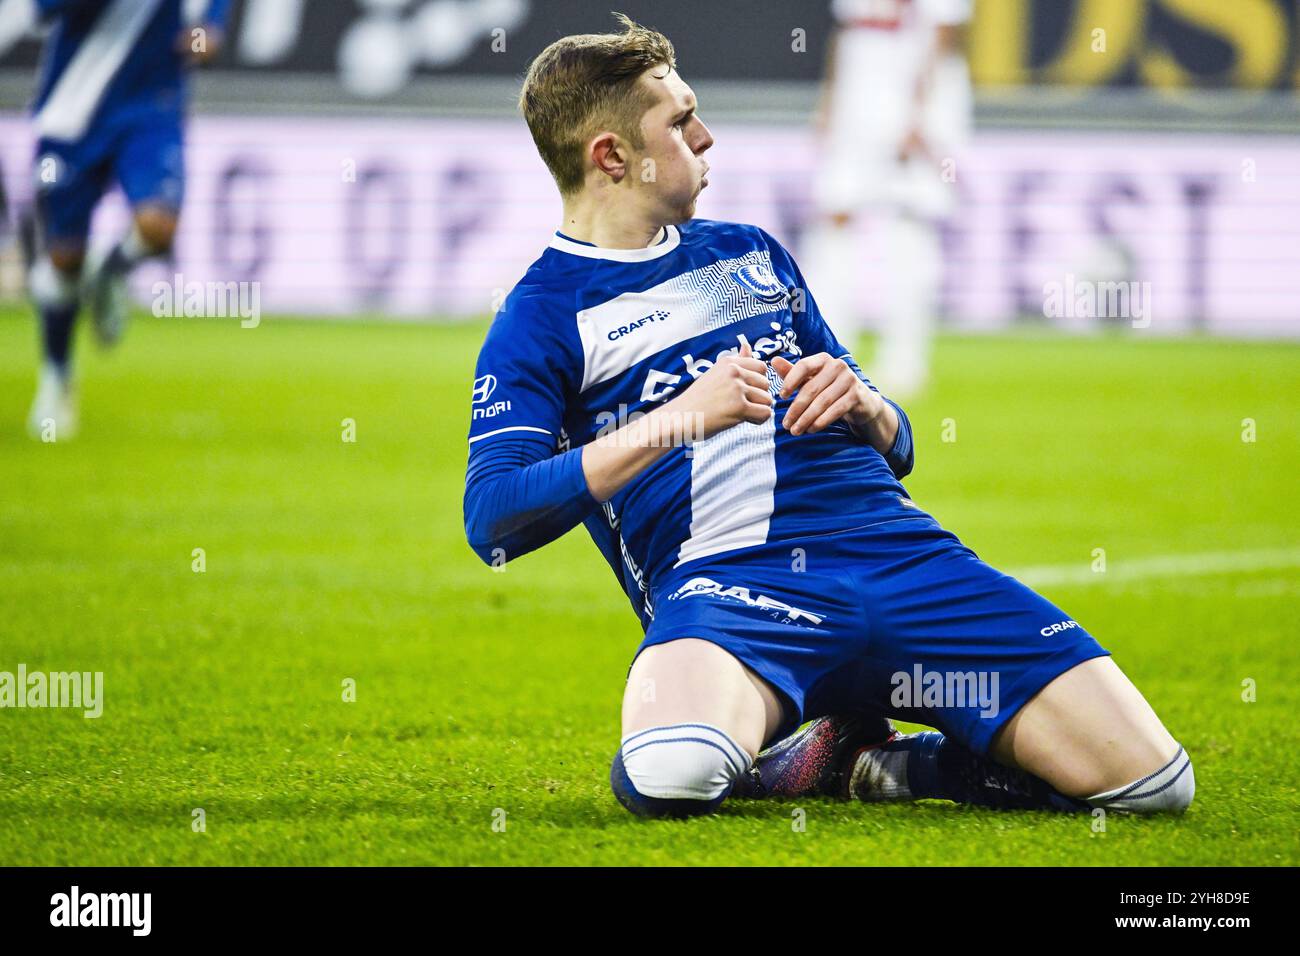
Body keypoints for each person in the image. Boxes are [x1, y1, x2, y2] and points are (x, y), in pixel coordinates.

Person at [462, 15, 1192, 819]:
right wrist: (674, 420)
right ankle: (799, 750)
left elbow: (899, 444)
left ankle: (894, 767)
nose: (705, 137)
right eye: (677, 122)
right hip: (736, 592)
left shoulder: (749, 254)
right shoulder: (541, 315)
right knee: (674, 774)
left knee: (1152, 785)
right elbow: (494, 518)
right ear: (611, 156)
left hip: (905, 563)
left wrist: (869, 405)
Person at [26, 0, 229, 439]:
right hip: (72, 112)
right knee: (64, 258)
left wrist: (196, 42)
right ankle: (56, 375)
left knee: (159, 225)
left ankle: (113, 268)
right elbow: (41, 11)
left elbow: (205, 38)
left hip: (151, 112)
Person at [803, 0, 972, 398]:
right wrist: (830, 103)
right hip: (858, 95)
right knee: (834, 217)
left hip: (911, 92)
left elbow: (946, 33)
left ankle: (905, 360)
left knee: (909, 223)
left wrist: (920, 113)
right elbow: (847, 30)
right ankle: (829, 349)